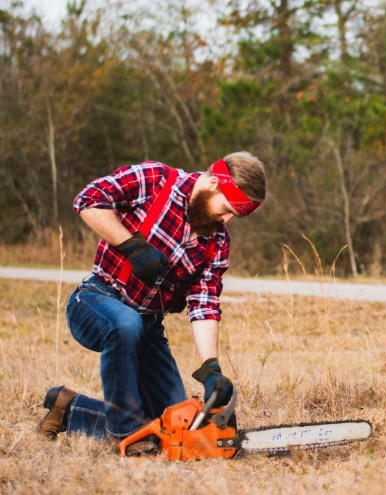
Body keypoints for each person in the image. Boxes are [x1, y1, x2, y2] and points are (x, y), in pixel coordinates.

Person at [37, 152, 267, 455]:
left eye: (233, 217)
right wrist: (131, 245)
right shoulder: (156, 180)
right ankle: (123, 436)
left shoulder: (217, 241)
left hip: (147, 326)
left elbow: (205, 301)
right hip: (96, 299)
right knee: (125, 324)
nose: (226, 220)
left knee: (175, 430)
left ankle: (69, 408)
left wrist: (210, 368)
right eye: (226, 209)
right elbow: (88, 200)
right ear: (213, 183)